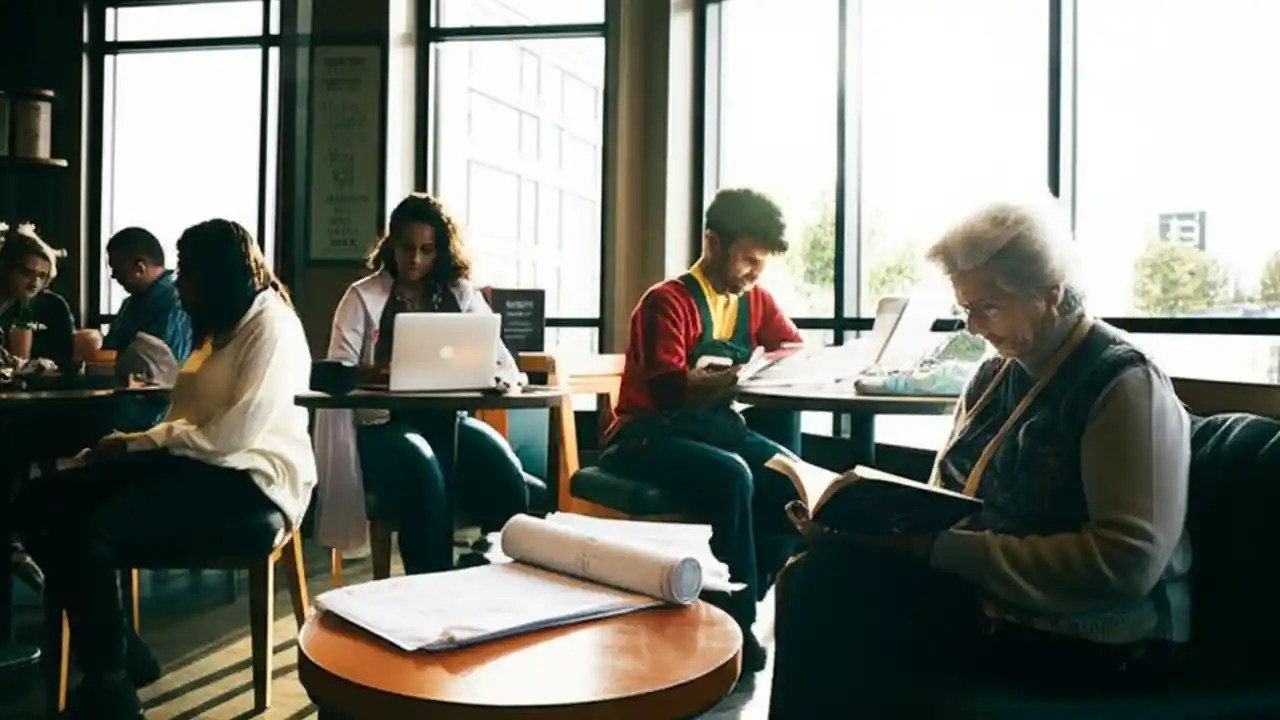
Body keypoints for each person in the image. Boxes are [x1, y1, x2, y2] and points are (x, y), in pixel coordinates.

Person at [769, 199, 1192, 717]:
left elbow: (1126, 564)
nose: (972, 326)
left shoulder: (1125, 384)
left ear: (1050, 297)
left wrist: (935, 550)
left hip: (1099, 640)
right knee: (820, 569)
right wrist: (861, 530)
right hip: (987, 605)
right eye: (964, 308)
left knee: (828, 590)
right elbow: (939, 504)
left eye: (987, 307)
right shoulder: (993, 377)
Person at [17, 219, 316, 719]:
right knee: (40, 502)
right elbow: (190, 423)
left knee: (86, 526)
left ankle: (110, 685)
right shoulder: (222, 326)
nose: (180, 282)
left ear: (219, 273)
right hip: (198, 461)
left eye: (189, 270)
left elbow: (230, 439)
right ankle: (121, 647)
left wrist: (139, 445)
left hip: (252, 482)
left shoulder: (270, 327)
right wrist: (134, 446)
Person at [598, 187, 804, 672]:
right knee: (733, 475)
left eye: (762, 264)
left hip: (712, 430)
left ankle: (752, 585)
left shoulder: (756, 302)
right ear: (712, 242)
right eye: (748, 260)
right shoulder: (666, 302)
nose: (754, 274)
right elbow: (670, 389)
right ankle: (738, 625)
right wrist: (736, 376)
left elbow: (791, 349)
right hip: (643, 435)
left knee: (790, 475)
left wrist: (747, 371)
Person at [313, 192, 535, 574]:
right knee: (422, 469)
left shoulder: (461, 294)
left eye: (427, 250)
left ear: (441, 251)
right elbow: (338, 371)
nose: (415, 259)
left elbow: (501, 361)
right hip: (381, 428)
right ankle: (429, 584)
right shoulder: (361, 298)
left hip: (448, 423)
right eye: (406, 248)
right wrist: (378, 373)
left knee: (506, 473)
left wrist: (494, 377)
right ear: (391, 246)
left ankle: (497, 575)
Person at [96, 226, 194, 431]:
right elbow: (110, 350)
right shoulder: (130, 305)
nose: (114, 276)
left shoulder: (175, 303)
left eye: (117, 269)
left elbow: (162, 372)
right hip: (122, 399)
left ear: (139, 267)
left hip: (154, 412)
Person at [0, 222, 74, 369]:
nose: (35, 282)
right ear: (7, 269)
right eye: (27, 273)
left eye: (42, 276)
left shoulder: (53, 305)